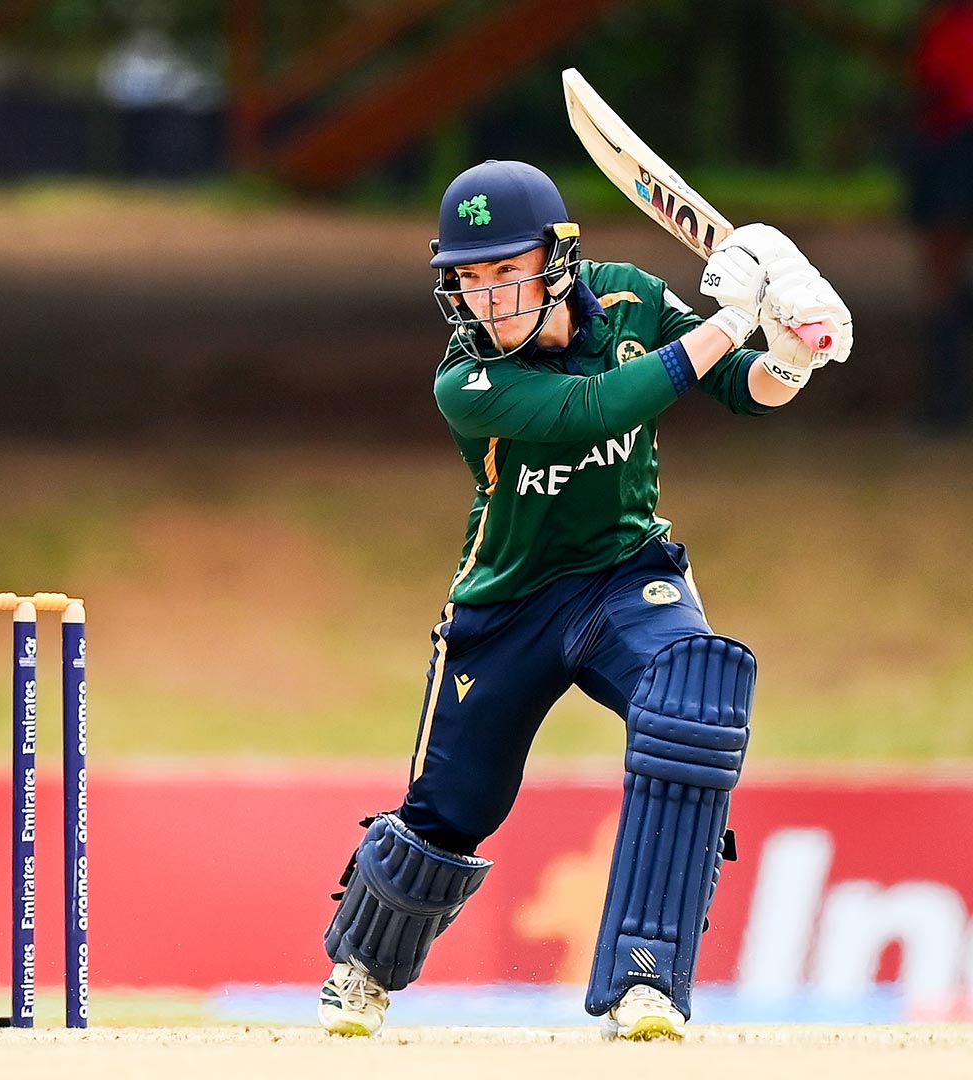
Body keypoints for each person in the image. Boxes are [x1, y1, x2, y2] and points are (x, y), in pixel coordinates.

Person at [315, 160, 853, 1041]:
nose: (488, 299)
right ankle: (364, 969)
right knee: (455, 807)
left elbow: (735, 387)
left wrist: (790, 358)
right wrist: (734, 317)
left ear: (559, 259)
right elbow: (599, 409)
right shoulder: (466, 383)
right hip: (507, 606)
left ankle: (648, 984)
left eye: (507, 272)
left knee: (693, 704)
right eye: (470, 280)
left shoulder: (634, 303)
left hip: (625, 573)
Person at [908, 0, 973, 432]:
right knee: (944, 281)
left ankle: (949, 402)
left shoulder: (951, 25)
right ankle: (948, 399)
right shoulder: (944, 23)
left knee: (943, 281)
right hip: (949, 147)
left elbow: (939, 89)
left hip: (955, 148)